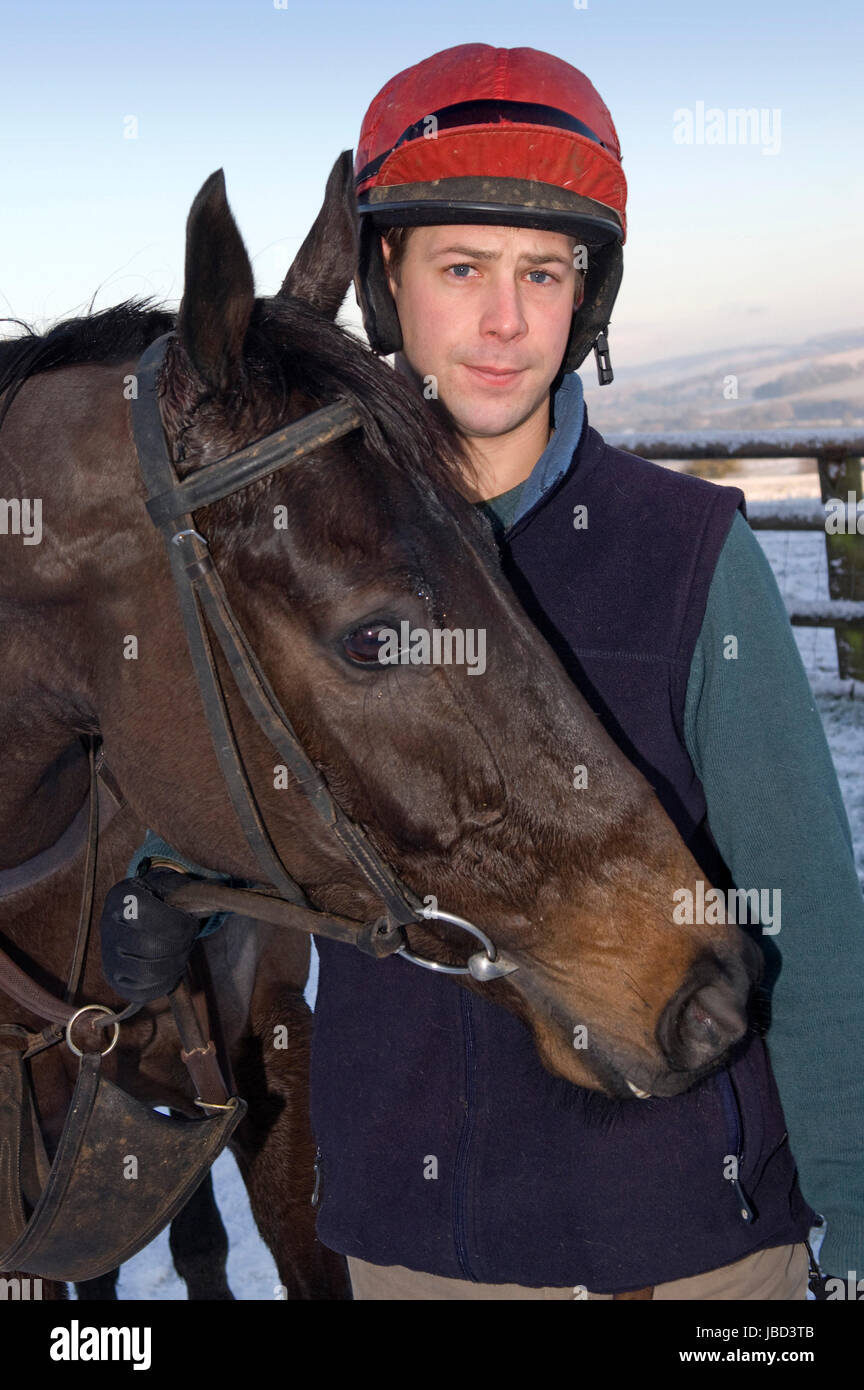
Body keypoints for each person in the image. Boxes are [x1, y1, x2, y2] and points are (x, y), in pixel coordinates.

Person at [103, 44, 864, 1300]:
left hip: (689, 1251)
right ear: (388, 285)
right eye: (463, 270)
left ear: (587, 300)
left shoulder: (687, 556)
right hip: (414, 1255)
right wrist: (156, 878)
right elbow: (264, 771)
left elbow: (812, 924)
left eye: (543, 274)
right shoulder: (309, 567)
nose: (507, 322)